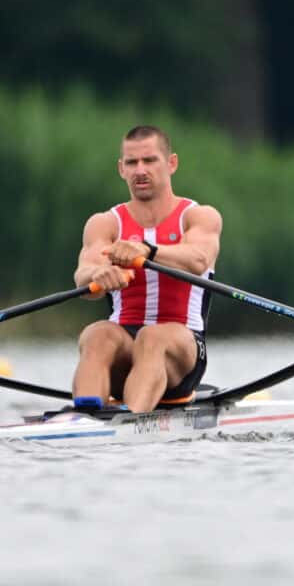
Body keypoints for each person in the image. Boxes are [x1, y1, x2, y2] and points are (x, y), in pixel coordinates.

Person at [72, 126, 222, 413]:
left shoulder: (199, 216)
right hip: (124, 345)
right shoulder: (105, 223)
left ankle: (132, 420)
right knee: (96, 334)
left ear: (171, 163)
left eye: (150, 160)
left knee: (152, 337)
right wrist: (98, 275)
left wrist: (147, 250)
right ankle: (85, 419)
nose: (140, 170)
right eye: (131, 162)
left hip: (182, 347)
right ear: (121, 169)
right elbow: (83, 276)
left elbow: (198, 259)